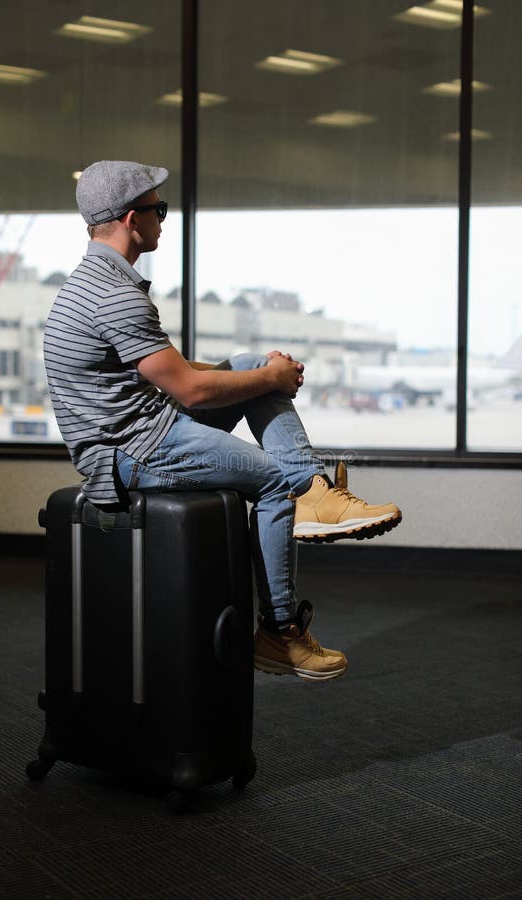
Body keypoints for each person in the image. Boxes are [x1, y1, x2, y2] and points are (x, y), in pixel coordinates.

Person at [43, 159, 402, 682]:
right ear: (129, 219)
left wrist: (267, 371)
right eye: (158, 209)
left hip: (145, 425)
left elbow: (175, 372)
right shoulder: (115, 297)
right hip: (132, 452)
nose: (164, 220)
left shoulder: (94, 283)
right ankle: (280, 634)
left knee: (253, 363)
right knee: (274, 482)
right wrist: (275, 382)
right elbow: (190, 388)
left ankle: (314, 491)